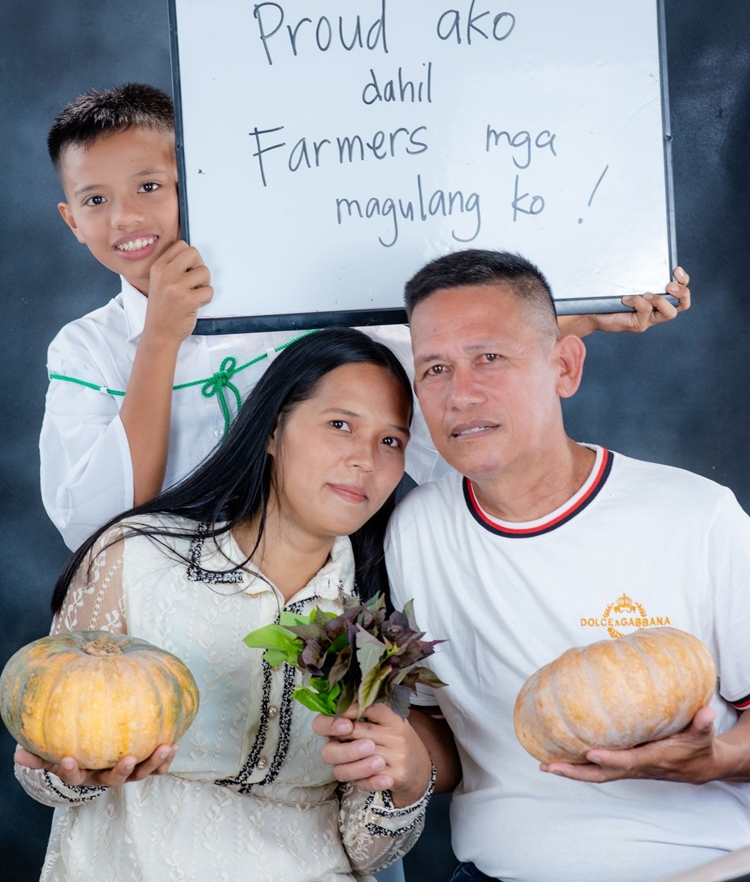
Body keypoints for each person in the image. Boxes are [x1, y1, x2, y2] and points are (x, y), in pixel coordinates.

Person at [41, 83, 692, 550]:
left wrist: (580, 314)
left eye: (150, 186)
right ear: (71, 221)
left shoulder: (300, 295)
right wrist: (160, 336)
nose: (125, 217)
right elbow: (99, 522)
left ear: (201, 180)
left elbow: (431, 384)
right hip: (168, 614)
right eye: (95, 199)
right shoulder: (86, 349)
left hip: (331, 598)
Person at [315, 249, 750, 882]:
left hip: (705, 869)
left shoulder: (697, 515)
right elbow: (455, 739)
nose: (461, 393)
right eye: (435, 368)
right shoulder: (415, 532)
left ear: (564, 366)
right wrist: (410, 762)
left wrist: (715, 759)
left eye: (490, 357)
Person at [16, 327, 439, 882]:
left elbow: (366, 853)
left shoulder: (377, 620)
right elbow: (44, 771)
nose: (365, 460)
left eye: (391, 441)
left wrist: (407, 786)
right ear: (271, 428)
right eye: (340, 425)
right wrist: (70, 771)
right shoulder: (134, 555)